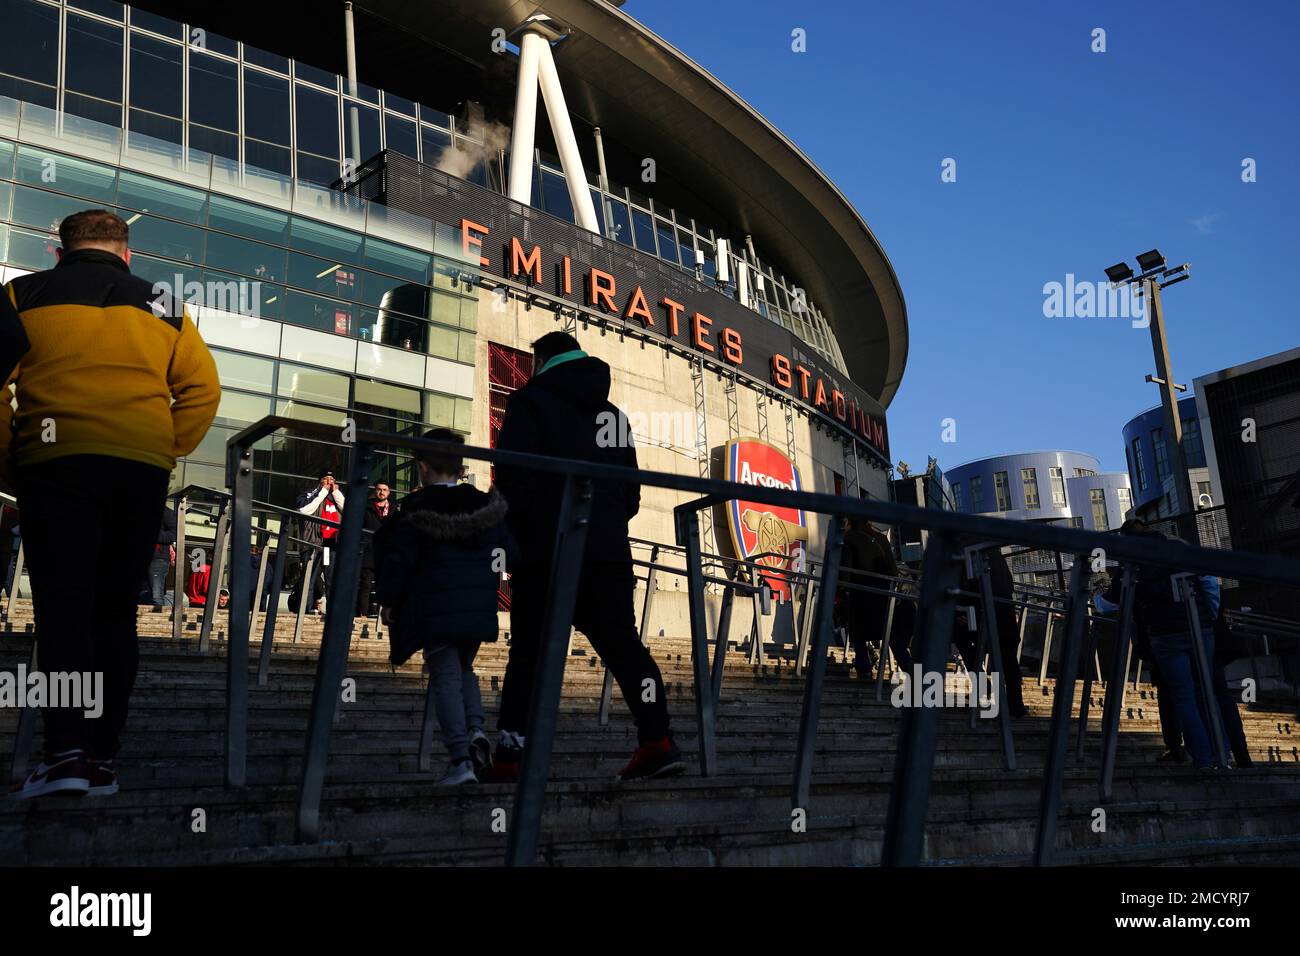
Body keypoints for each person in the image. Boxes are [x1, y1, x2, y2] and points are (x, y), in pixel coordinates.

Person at [0, 208, 220, 799]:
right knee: (115, 611)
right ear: (127, 255)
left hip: (56, 463)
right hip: (137, 471)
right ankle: (102, 757)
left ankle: (64, 753)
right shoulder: (163, 301)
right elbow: (203, 390)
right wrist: (159, 447)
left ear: (59, 250)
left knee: (63, 610)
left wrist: (9, 459)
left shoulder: (21, 295)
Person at [491, 331, 682, 782]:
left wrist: (526, 530)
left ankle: (511, 756)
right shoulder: (613, 415)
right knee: (624, 648)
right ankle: (657, 739)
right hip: (605, 554)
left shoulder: (529, 401)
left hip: (544, 552)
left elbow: (513, 478)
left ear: (541, 360)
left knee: (529, 657)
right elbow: (630, 493)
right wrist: (604, 523)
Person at [374, 430, 511, 786]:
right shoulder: (486, 506)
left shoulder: (416, 510)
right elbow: (509, 550)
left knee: (446, 676)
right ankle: (477, 730)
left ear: (422, 467)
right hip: (477, 608)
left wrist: (389, 601)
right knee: (465, 670)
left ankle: (460, 758)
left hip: (434, 608)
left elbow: (399, 560)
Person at [1095, 522, 1223, 768]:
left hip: (1164, 632)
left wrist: (1096, 597)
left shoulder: (1132, 559)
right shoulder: (1177, 547)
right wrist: (1209, 614)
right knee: (1206, 688)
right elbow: (1208, 580)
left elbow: (1111, 603)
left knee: (1183, 693)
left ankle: (1203, 757)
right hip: (1199, 625)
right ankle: (1221, 749)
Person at [839, 517, 912, 680]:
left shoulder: (849, 539)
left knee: (859, 636)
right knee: (892, 636)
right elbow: (893, 569)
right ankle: (912, 672)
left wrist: (841, 590)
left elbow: (845, 571)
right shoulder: (880, 538)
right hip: (885, 596)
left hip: (862, 598)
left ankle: (864, 670)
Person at [293, 471, 344, 614]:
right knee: (309, 577)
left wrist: (336, 494)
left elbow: (350, 511)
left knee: (331, 578)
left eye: (332, 479)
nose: (330, 482)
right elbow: (303, 510)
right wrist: (322, 492)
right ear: (319, 481)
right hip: (312, 544)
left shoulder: (336, 497)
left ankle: (333, 611)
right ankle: (306, 608)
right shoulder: (310, 495)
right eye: (326, 479)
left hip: (330, 544)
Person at [357, 481, 394, 618]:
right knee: (366, 584)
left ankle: (379, 615)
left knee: (383, 585)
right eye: (379, 489)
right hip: (368, 550)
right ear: (375, 491)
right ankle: (362, 614)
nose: (382, 492)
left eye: (385, 489)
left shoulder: (394, 509)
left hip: (386, 552)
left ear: (389, 492)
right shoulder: (366, 507)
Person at [144, 504, 177, 608]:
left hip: (158, 558)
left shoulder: (166, 513)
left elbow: (174, 534)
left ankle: (158, 619)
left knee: (156, 596)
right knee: (146, 594)